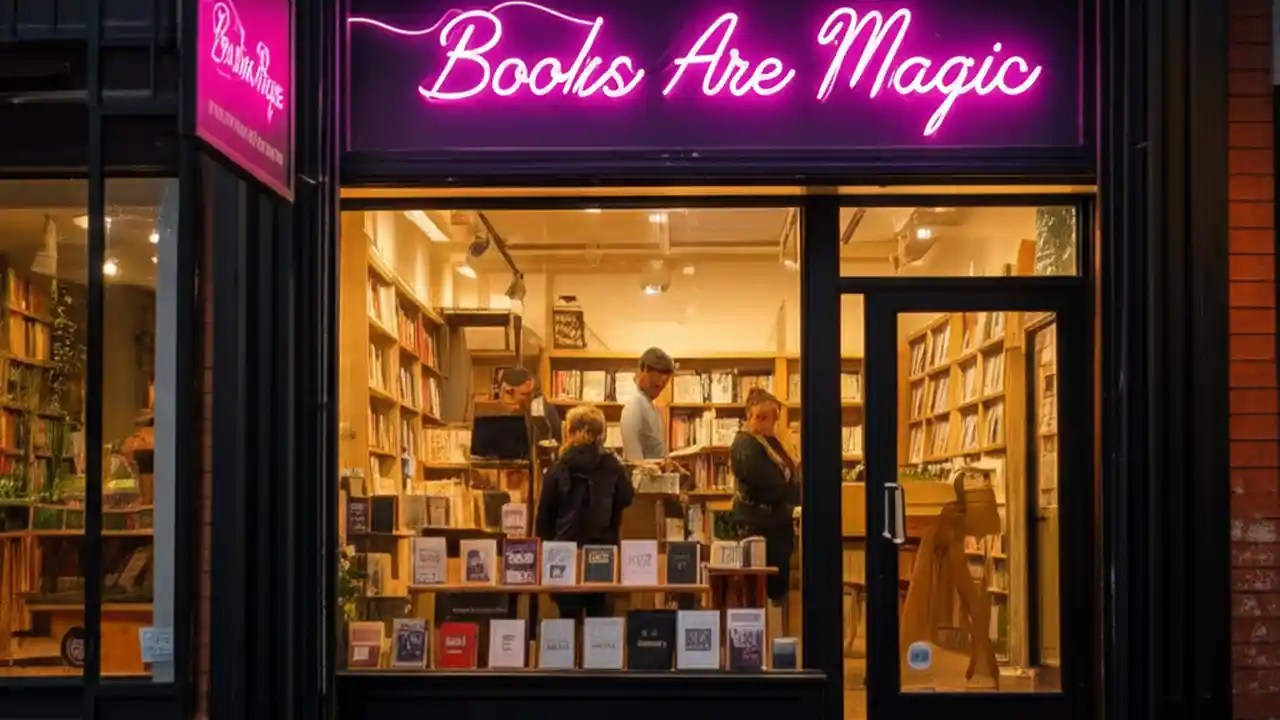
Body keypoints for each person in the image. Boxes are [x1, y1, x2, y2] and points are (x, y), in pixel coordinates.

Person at [536, 404, 635, 619]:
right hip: (602, 551)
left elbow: (544, 519)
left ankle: (570, 651)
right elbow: (626, 498)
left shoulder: (557, 469)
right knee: (600, 621)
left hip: (564, 553)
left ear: (568, 432)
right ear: (601, 435)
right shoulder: (612, 466)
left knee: (568, 620)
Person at [730, 388, 800, 605]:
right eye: (759, 417)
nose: (764, 423)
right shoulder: (745, 444)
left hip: (777, 524)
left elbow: (792, 475)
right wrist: (789, 499)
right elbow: (769, 484)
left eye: (769, 418)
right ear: (749, 416)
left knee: (778, 586)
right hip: (758, 524)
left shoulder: (772, 443)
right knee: (761, 590)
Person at [619, 347, 676, 462]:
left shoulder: (650, 406)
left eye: (662, 387)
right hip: (646, 478)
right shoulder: (634, 405)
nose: (658, 391)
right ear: (642, 371)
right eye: (655, 385)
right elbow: (634, 460)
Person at [499, 366, 562, 445]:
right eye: (524, 394)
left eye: (532, 393)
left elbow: (557, 440)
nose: (529, 397)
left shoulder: (545, 409)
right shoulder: (499, 412)